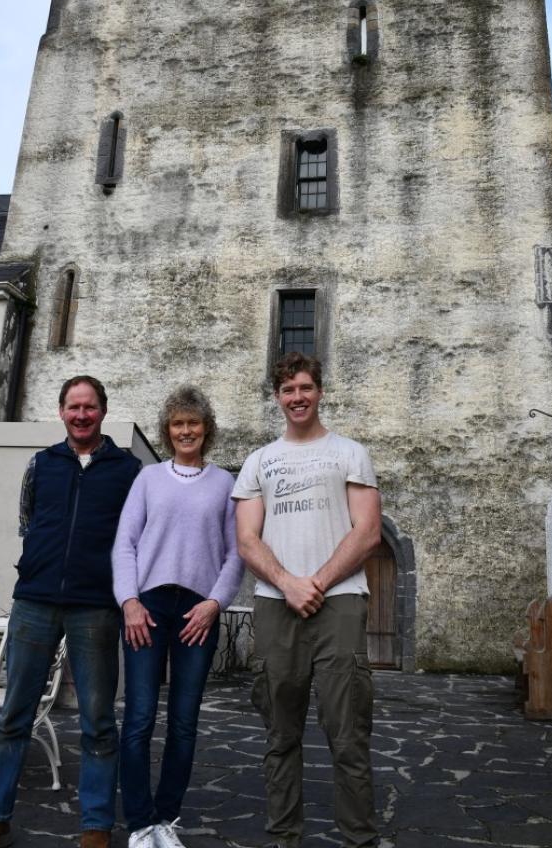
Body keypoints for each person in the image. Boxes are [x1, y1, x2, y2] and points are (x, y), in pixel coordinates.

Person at [0, 375, 141, 848]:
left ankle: (96, 826)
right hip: (34, 602)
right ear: (60, 412)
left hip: (95, 607)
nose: (81, 415)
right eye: (73, 407)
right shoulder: (40, 464)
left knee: (97, 720)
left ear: (103, 411)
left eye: (90, 407)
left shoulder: (128, 470)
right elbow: (27, 522)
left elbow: (134, 539)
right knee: (13, 714)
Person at [232, 352, 382, 848]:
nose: (297, 397)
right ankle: (285, 839)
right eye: (287, 390)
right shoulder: (259, 461)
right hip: (277, 606)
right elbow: (247, 540)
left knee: (348, 735)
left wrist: (314, 581)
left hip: (339, 600)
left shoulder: (349, 453)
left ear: (319, 391)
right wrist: (288, 583)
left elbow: (368, 532)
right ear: (277, 398)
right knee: (281, 735)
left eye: (305, 388)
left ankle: (358, 839)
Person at [112, 385, 244, 848]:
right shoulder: (148, 480)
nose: (186, 430)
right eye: (177, 424)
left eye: (193, 422)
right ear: (167, 432)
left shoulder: (226, 484)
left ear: (207, 429)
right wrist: (129, 601)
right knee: (140, 718)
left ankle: (166, 819)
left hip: (197, 612)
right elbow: (125, 544)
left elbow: (236, 554)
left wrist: (215, 603)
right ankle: (139, 823)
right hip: (146, 608)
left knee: (184, 720)